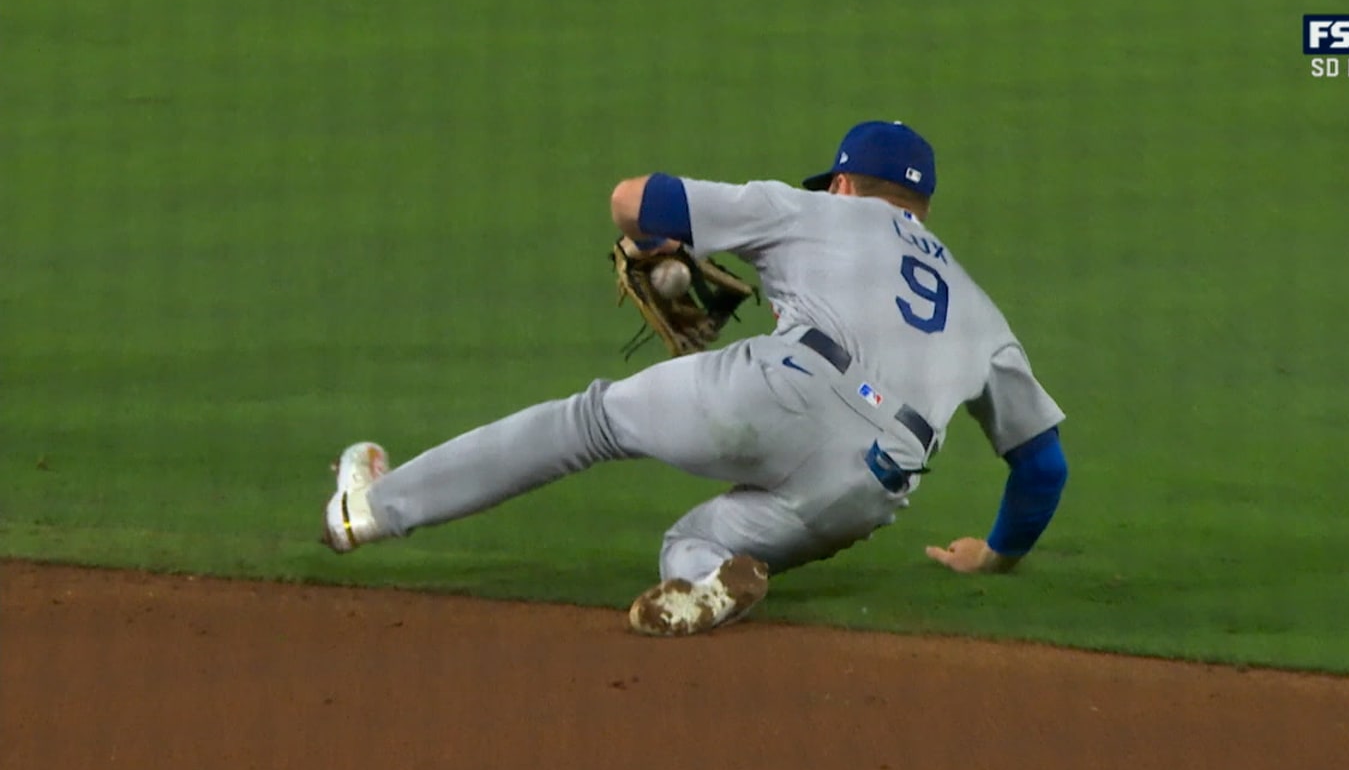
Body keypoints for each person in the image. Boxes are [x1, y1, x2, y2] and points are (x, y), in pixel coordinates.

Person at [320, 120, 1069, 636]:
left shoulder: (812, 210)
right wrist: (996, 554)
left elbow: (633, 198)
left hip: (788, 391)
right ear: (923, 207)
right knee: (696, 540)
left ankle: (368, 510)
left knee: (592, 422)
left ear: (843, 184)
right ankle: (708, 587)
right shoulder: (979, 310)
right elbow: (1042, 464)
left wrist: (656, 245)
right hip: (871, 485)